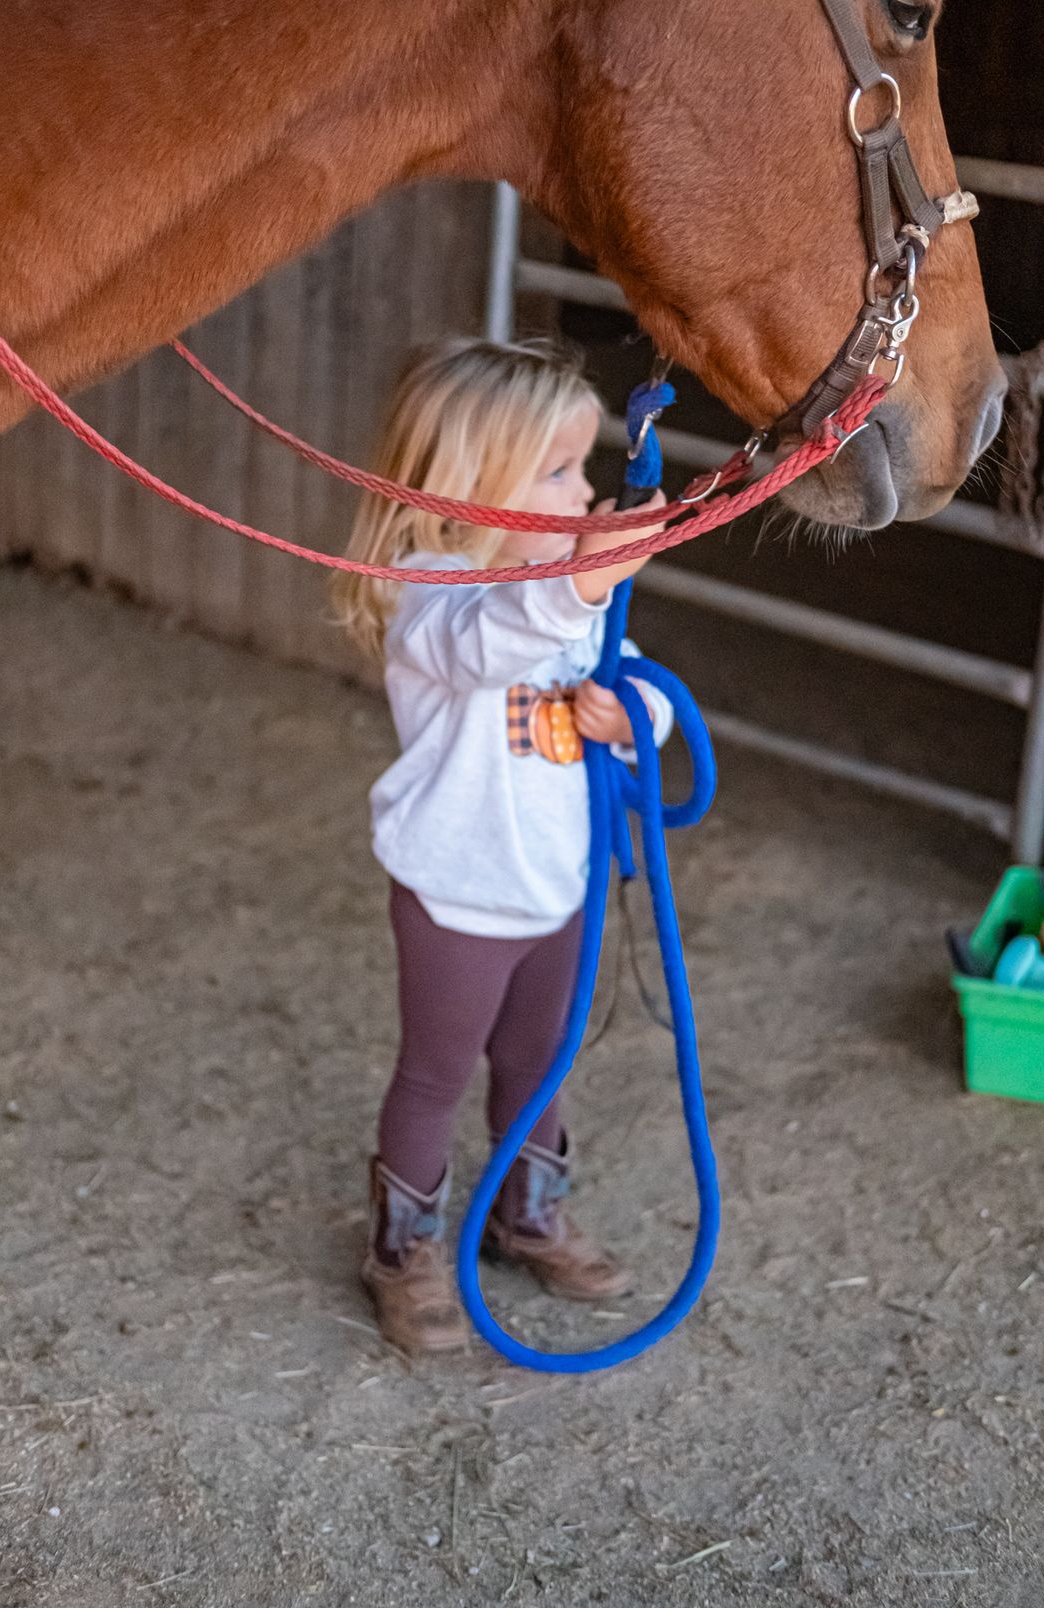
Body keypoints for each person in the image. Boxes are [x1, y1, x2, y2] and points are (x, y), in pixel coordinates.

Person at [334, 337, 672, 1356]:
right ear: (468, 486)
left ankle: (528, 1212)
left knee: (538, 1059)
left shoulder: (563, 591)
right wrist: (582, 582)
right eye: (557, 471)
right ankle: (403, 1249)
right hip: (459, 892)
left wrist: (634, 715)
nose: (585, 494)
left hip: (560, 880)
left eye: (582, 467)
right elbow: (485, 647)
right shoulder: (428, 590)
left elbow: (641, 680)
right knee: (435, 1073)